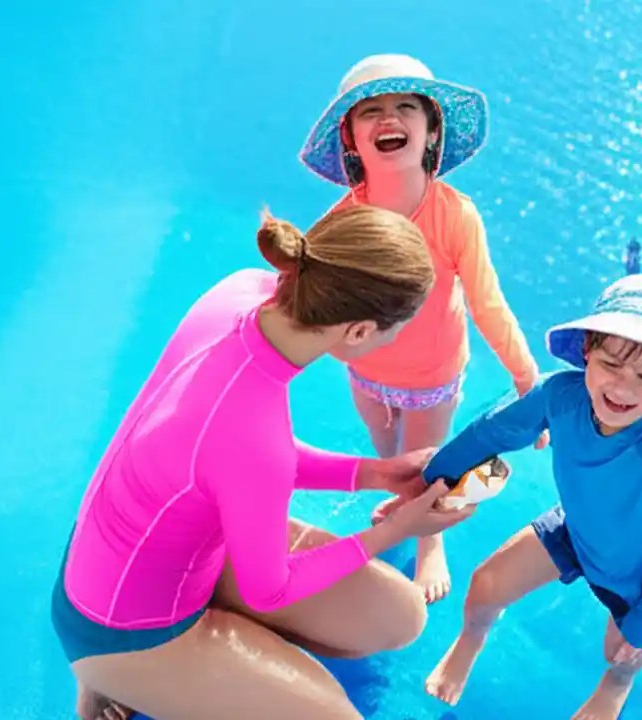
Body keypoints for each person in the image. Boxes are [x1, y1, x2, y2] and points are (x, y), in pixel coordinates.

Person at [51, 205, 476, 720]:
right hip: (121, 630)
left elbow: (227, 458)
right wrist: (398, 528)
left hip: (131, 555)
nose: (396, 341)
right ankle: (118, 680)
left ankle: (159, 676)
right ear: (360, 331)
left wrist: (373, 473)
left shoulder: (245, 290)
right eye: (398, 329)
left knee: (397, 615)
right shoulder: (254, 435)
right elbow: (269, 585)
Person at [299, 53, 541, 604]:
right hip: (365, 372)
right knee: (389, 455)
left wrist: (528, 383)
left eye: (406, 107)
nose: (389, 119)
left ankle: (430, 543)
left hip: (432, 374)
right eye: (371, 112)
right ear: (351, 141)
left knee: (431, 464)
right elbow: (306, 303)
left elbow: (488, 304)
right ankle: (405, 506)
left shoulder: (454, 216)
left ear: (432, 131)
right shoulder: (341, 224)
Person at [417, 274, 642, 720]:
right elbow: (494, 430)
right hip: (575, 526)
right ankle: (471, 640)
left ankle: (615, 687)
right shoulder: (561, 395)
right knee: (484, 587)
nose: (622, 388)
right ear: (588, 350)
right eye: (611, 364)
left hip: (632, 570)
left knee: (623, 650)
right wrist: (437, 477)